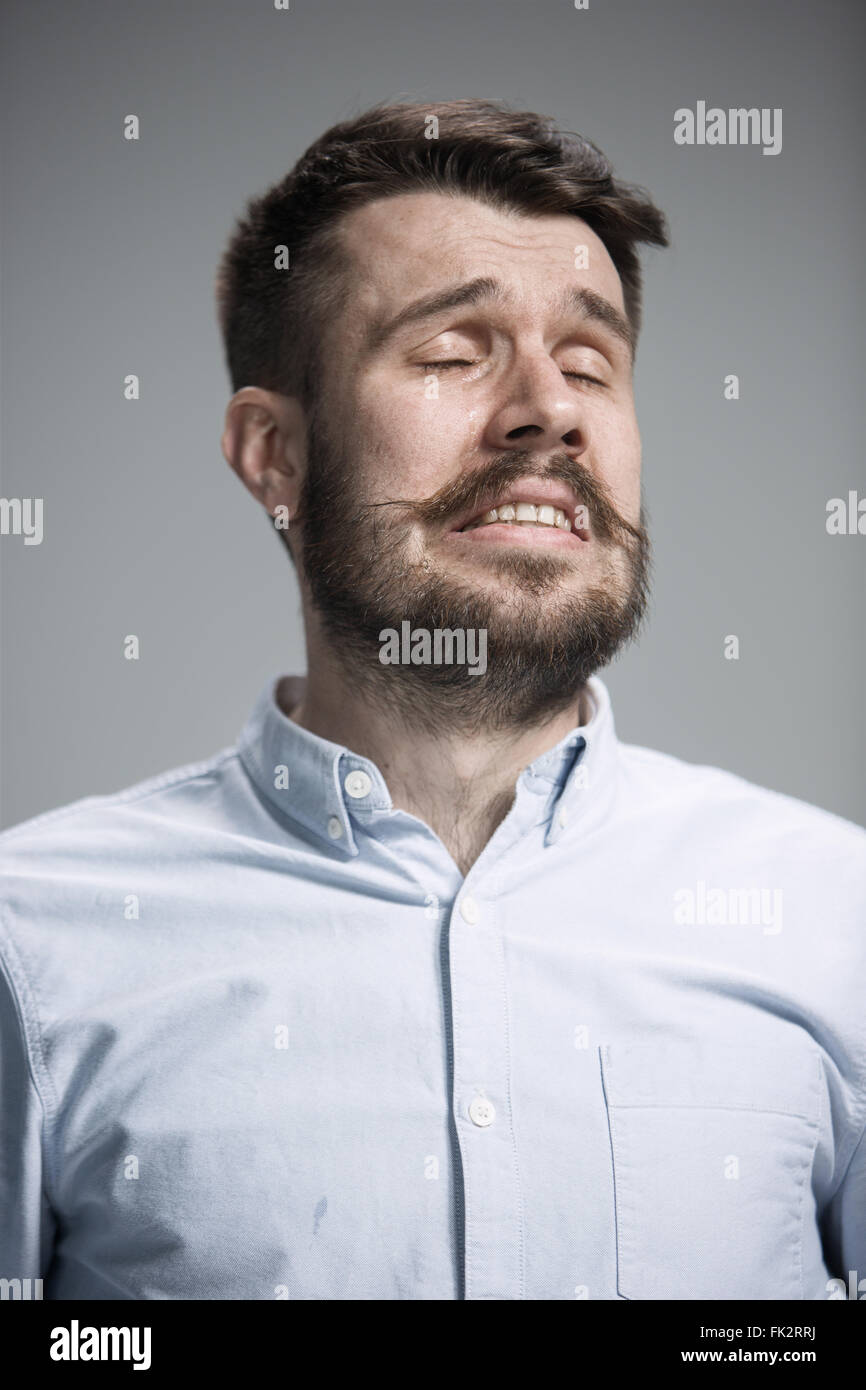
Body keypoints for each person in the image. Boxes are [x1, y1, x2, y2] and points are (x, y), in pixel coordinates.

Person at [1, 100, 863, 1302]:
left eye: (587, 364)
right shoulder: (31, 945)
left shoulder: (836, 920)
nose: (547, 410)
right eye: (454, 353)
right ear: (274, 456)